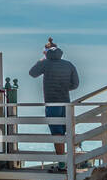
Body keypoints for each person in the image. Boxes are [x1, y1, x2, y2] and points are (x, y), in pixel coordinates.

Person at [28, 37, 80, 170]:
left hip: (52, 103)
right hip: (66, 103)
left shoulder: (45, 63)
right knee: (68, 130)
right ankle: (74, 158)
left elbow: (32, 73)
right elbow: (75, 84)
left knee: (57, 133)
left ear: (46, 52)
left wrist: (42, 59)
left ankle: (62, 164)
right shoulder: (69, 64)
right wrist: (63, 87)